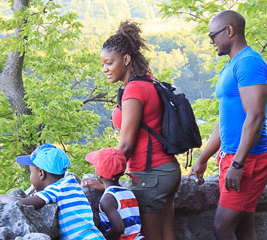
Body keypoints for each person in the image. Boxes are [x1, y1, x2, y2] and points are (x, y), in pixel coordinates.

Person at [187, 10, 267, 240]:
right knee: (243, 227)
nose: (212, 42)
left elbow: (255, 117)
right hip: (234, 157)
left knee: (222, 227)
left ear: (230, 31)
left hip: (249, 158)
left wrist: (238, 164)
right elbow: (225, 120)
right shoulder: (232, 65)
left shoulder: (249, 64)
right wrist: (203, 158)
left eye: (213, 36)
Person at [99, 19, 181, 240]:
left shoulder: (134, 90)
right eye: (103, 64)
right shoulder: (148, 81)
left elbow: (126, 144)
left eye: (109, 63)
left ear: (126, 59)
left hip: (150, 174)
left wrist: (104, 176)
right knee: (167, 232)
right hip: (167, 170)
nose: (105, 69)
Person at [0, 144, 106, 240]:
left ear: (41, 173)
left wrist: (3, 198)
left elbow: (24, 203)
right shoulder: (71, 183)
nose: (30, 177)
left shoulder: (55, 190)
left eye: (31, 173)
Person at [83, 148, 143, 240]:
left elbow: (118, 229)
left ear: (99, 174)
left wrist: (102, 237)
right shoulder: (128, 192)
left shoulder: (107, 199)